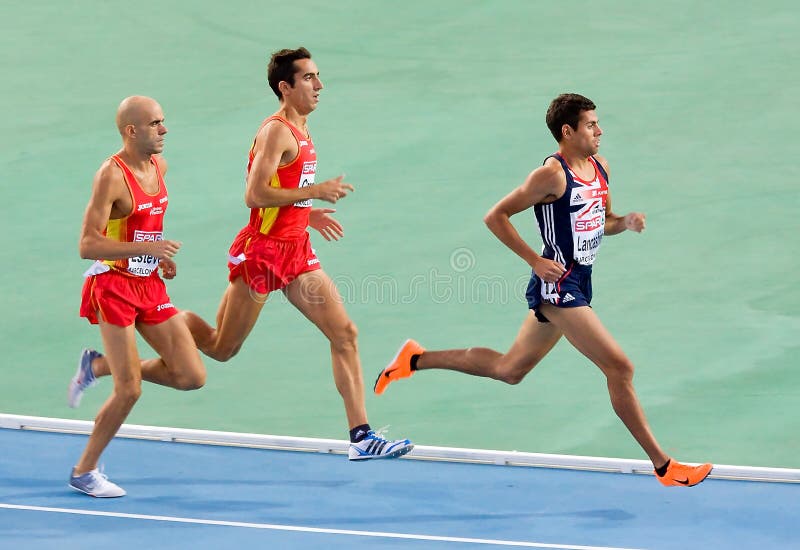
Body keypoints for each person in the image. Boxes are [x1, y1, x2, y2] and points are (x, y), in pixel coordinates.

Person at [374, 93, 713, 487]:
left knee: (509, 370)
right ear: (567, 131)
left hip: (581, 281)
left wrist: (625, 223)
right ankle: (664, 467)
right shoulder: (551, 176)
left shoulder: (600, 167)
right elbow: (496, 216)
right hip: (559, 286)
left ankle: (415, 359)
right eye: (591, 125)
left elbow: (602, 221)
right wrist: (534, 261)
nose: (600, 131)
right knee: (620, 368)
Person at [181, 47, 413, 461]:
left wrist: (305, 213)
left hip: (296, 250)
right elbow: (254, 195)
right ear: (285, 87)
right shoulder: (277, 132)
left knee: (344, 334)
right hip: (262, 253)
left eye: (317, 76)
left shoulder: (302, 127)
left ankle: (361, 437)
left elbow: (282, 191)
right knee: (221, 348)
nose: (319, 85)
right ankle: (166, 322)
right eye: (309, 78)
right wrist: (314, 191)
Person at [68, 96, 207, 497]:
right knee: (129, 390)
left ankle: (99, 366)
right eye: (155, 124)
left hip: (148, 284)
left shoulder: (159, 166)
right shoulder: (111, 176)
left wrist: (158, 257)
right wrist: (146, 249)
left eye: (163, 121)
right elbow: (88, 244)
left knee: (191, 376)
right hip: (112, 286)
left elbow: (144, 226)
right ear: (131, 131)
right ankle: (84, 471)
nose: (164, 130)